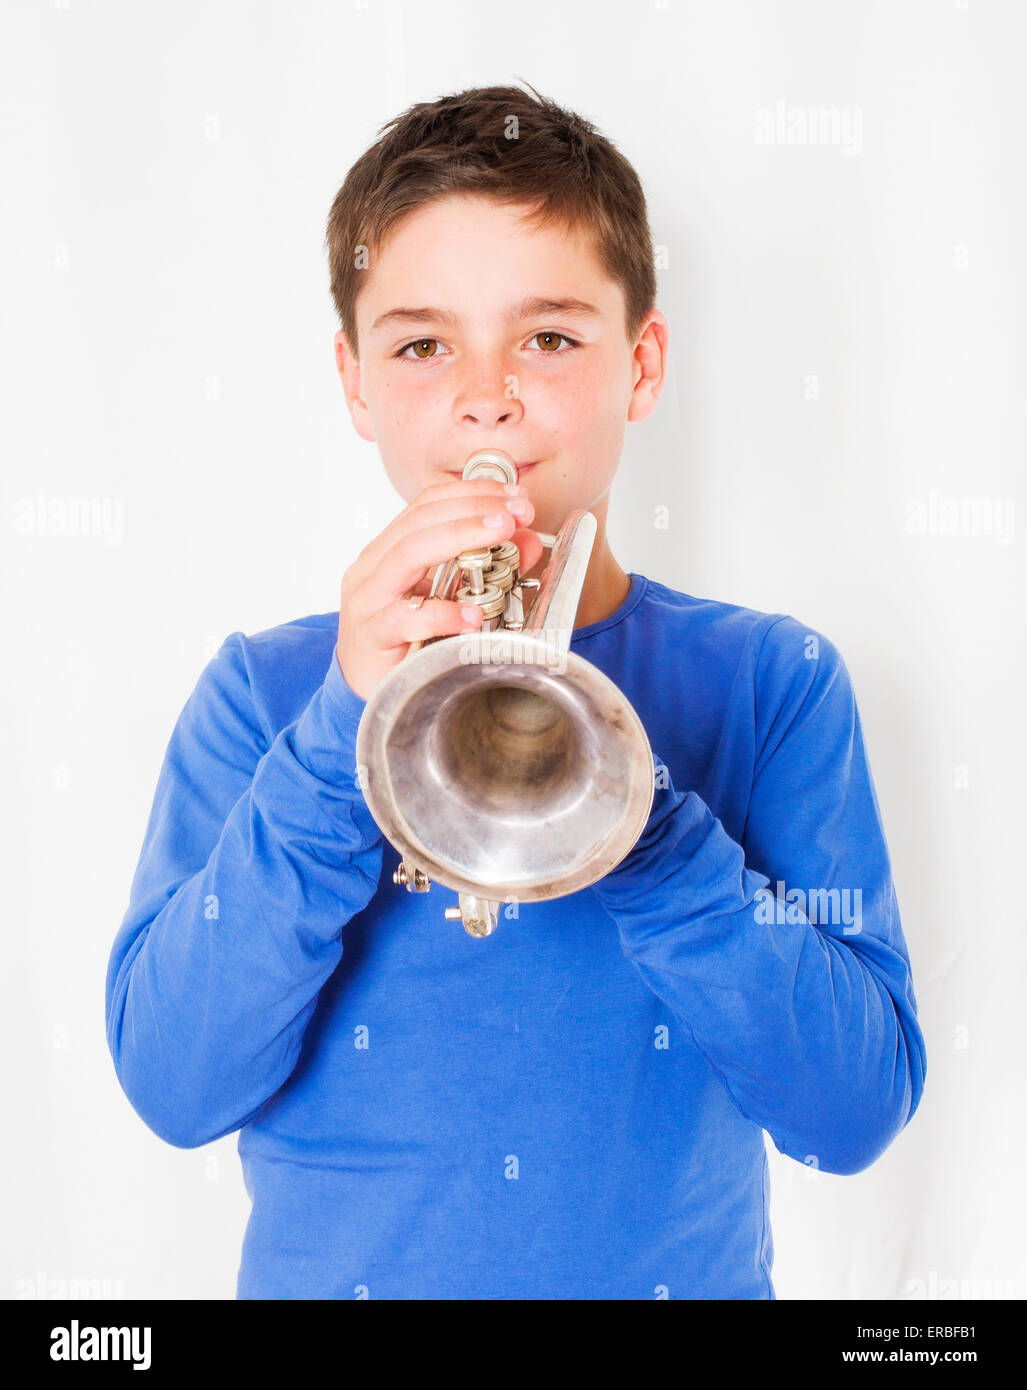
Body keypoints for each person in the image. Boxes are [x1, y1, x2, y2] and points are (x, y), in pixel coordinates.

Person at [105, 83, 926, 1300]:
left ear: (640, 364)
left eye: (547, 337)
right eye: (423, 344)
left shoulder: (768, 682)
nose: (486, 397)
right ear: (355, 382)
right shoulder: (265, 690)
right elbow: (175, 1087)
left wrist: (632, 819)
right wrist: (342, 734)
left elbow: (851, 1112)